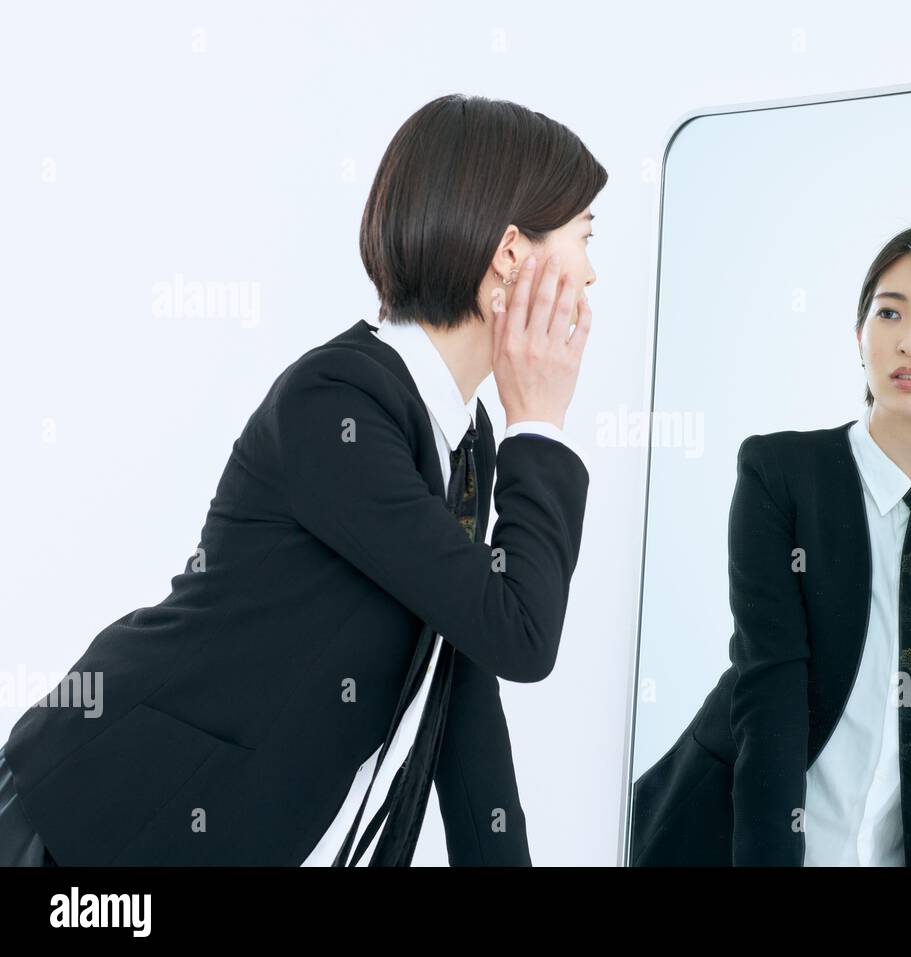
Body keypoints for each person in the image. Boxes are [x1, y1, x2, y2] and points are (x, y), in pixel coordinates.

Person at [0, 93, 601, 866]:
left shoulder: (468, 444)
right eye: (585, 237)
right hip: (89, 822)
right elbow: (520, 630)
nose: (592, 275)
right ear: (511, 255)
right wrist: (541, 425)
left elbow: (467, 698)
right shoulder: (339, 400)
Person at [631, 219, 911, 866]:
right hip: (735, 831)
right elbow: (771, 687)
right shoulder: (782, 473)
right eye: (888, 312)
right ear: (858, 334)